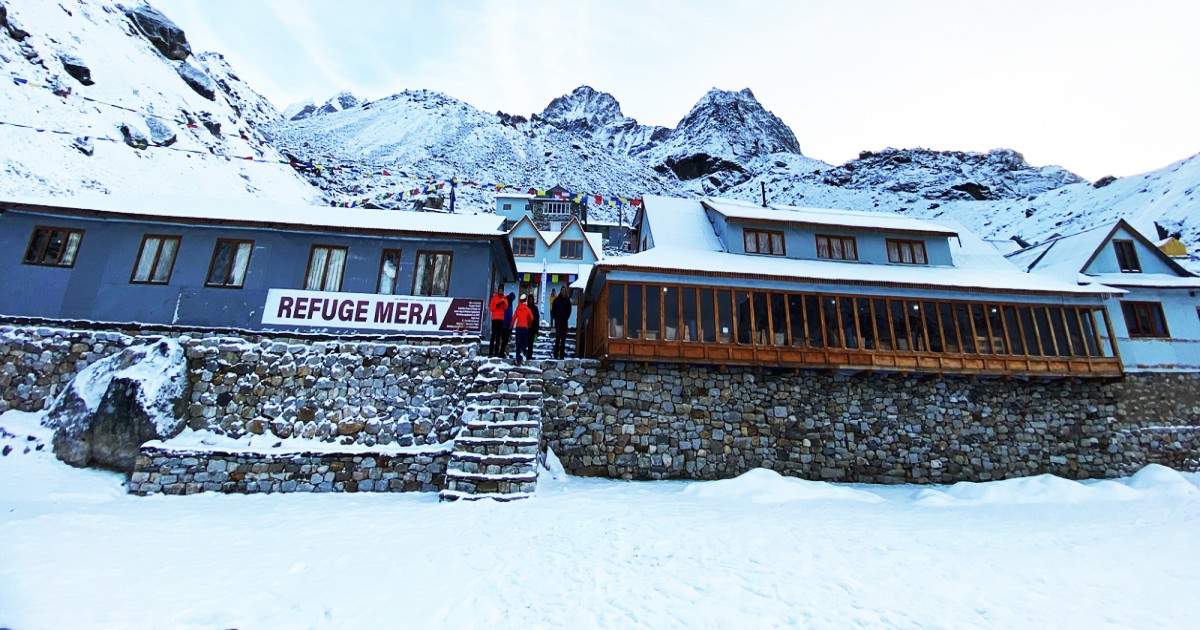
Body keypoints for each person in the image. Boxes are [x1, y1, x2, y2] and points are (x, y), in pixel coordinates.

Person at [551, 285, 572, 360]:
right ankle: (555, 355)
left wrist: (566, 318)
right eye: (562, 290)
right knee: (557, 338)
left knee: (563, 339)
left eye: (565, 291)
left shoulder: (567, 300)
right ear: (560, 291)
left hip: (564, 322)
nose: (563, 292)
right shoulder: (556, 300)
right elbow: (553, 311)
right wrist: (556, 318)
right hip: (558, 321)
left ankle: (562, 356)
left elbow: (569, 310)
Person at [512, 294, 534, 367]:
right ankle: (523, 353)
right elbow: (532, 318)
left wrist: (511, 326)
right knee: (525, 342)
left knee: (518, 343)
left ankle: (518, 359)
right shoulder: (527, 309)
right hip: (525, 327)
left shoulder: (518, 309)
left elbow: (514, 318)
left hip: (518, 327)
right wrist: (528, 322)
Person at [487, 285, 507, 357]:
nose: (501, 291)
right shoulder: (494, 298)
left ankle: (496, 352)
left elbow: (506, 307)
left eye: (502, 290)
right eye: (500, 290)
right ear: (498, 290)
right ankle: (490, 352)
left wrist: (503, 303)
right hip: (495, 318)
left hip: (500, 319)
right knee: (493, 336)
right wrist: (497, 305)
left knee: (498, 336)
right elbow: (491, 308)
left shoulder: (504, 298)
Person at [525, 294, 541, 361]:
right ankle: (525, 354)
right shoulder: (526, 308)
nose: (531, 301)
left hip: (533, 328)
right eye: (530, 300)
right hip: (526, 327)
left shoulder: (535, 308)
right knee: (526, 342)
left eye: (532, 300)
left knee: (531, 343)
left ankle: (530, 355)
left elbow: (537, 319)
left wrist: (536, 330)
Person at [501, 291, 516, 358]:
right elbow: (508, 315)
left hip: (506, 324)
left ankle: (504, 352)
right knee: (504, 340)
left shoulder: (509, 303)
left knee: (505, 340)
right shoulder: (506, 303)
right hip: (505, 324)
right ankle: (502, 352)